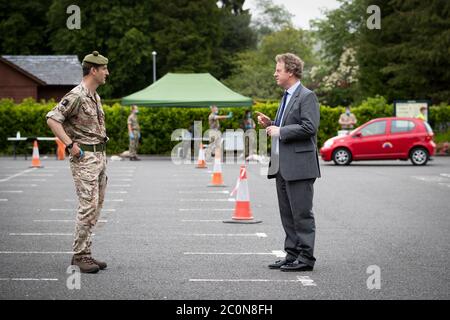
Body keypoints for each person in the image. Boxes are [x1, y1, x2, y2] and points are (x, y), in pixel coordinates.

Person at [255, 53, 321, 272]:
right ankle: (292, 254)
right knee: (288, 213)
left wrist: (280, 130)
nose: (275, 73)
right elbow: (289, 126)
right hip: (282, 166)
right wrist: (272, 123)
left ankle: (306, 258)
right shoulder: (286, 96)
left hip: (300, 167)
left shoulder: (307, 96)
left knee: (301, 213)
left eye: (278, 69)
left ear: (290, 72)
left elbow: (309, 127)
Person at [46, 51, 109, 274]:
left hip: (98, 158)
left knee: (95, 207)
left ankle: (86, 252)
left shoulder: (94, 96)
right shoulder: (77, 95)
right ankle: (80, 256)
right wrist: (70, 144)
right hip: (85, 159)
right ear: (93, 70)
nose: (107, 73)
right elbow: (53, 118)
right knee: (87, 207)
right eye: (104, 69)